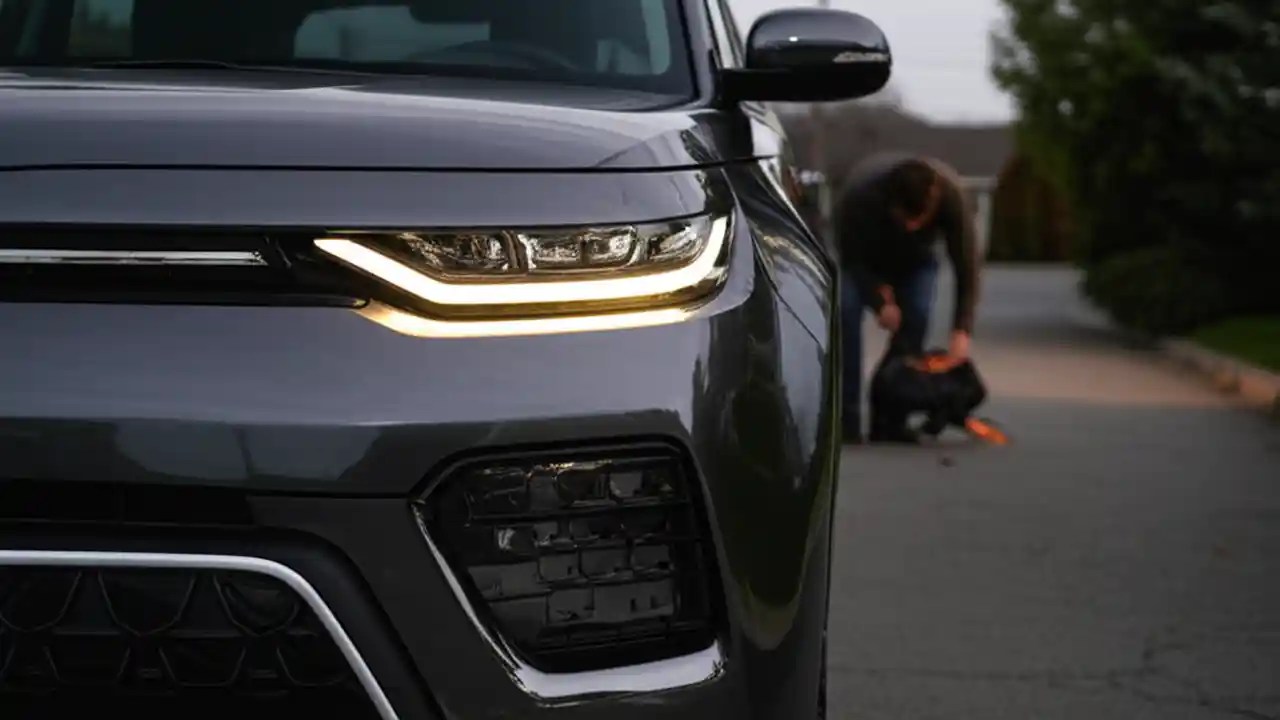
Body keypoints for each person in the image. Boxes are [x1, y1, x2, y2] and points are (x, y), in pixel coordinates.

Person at [836, 153, 981, 444]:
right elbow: (850, 258)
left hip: (917, 261)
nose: (911, 227)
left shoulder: (951, 197)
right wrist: (879, 300)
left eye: (920, 220)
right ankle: (846, 418)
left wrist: (962, 329)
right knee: (846, 314)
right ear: (890, 202)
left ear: (933, 198)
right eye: (905, 218)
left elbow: (967, 266)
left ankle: (890, 416)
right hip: (866, 260)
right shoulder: (858, 198)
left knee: (917, 316)